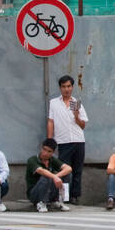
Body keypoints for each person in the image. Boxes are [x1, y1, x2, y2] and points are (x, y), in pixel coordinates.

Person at [47, 74, 87, 205]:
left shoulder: (76, 103)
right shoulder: (54, 103)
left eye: (69, 86)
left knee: (77, 170)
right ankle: (64, 196)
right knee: (64, 171)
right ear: (60, 88)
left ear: (72, 87)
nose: (66, 89)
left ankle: (75, 196)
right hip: (63, 141)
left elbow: (83, 126)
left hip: (78, 140)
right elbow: (51, 121)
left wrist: (76, 117)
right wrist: (50, 140)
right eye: (64, 86)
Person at [26, 139, 71, 212]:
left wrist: (57, 176)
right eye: (44, 149)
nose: (45, 153)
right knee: (46, 175)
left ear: (53, 152)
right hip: (35, 194)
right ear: (41, 148)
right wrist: (54, 177)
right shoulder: (32, 160)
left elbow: (68, 168)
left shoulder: (52, 160)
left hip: (49, 192)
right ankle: (42, 203)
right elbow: (41, 170)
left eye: (49, 151)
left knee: (66, 174)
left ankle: (59, 201)